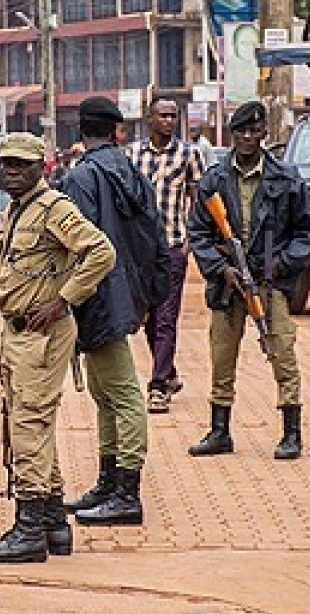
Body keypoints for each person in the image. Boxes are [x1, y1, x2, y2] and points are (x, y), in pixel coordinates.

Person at [0, 133, 116, 563]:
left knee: (29, 428)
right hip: (20, 333)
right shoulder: (21, 209)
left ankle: (29, 531)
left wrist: (64, 299)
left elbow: (101, 251)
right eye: (6, 165)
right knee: (30, 425)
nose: (12, 172)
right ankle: (54, 524)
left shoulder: (54, 208)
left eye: (21, 165)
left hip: (42, 335)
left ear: (42, 166)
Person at [187, 101, 310, 461]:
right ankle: (219, 431)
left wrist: (281, 265)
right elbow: (198, 232)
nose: (248, 138)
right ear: (232, 134)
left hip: (270, 281)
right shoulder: (214, 179)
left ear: (264, 133)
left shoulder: (285, 177)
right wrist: (221, 268)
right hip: (228, 283)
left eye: (254, 131)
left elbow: (309, 231)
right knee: (222, 356)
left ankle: (291, 432)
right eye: (241, 131)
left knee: (281, 353)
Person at [59, 97, 169, 526]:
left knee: (121, 393)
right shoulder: (132, 173)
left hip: (95, 295)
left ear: (81, 129)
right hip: (127, 292)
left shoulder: (80, 178)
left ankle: (127, 492)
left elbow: (75, 248)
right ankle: (108, 482)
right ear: (115, 131)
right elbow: (156, 238)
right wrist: (147, 294)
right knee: (106, 393)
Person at [129, 96, 205, 414]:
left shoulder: (189, 154)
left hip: (173, 246)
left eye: (173, 116)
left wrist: (191, 239)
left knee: (166, 318)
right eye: (162, 115)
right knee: (147, 318)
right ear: (149, 119)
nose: (168, 121)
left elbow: (198, 199)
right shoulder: (132, 154)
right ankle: (169, 371)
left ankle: (158, 386)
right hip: (140, 249)